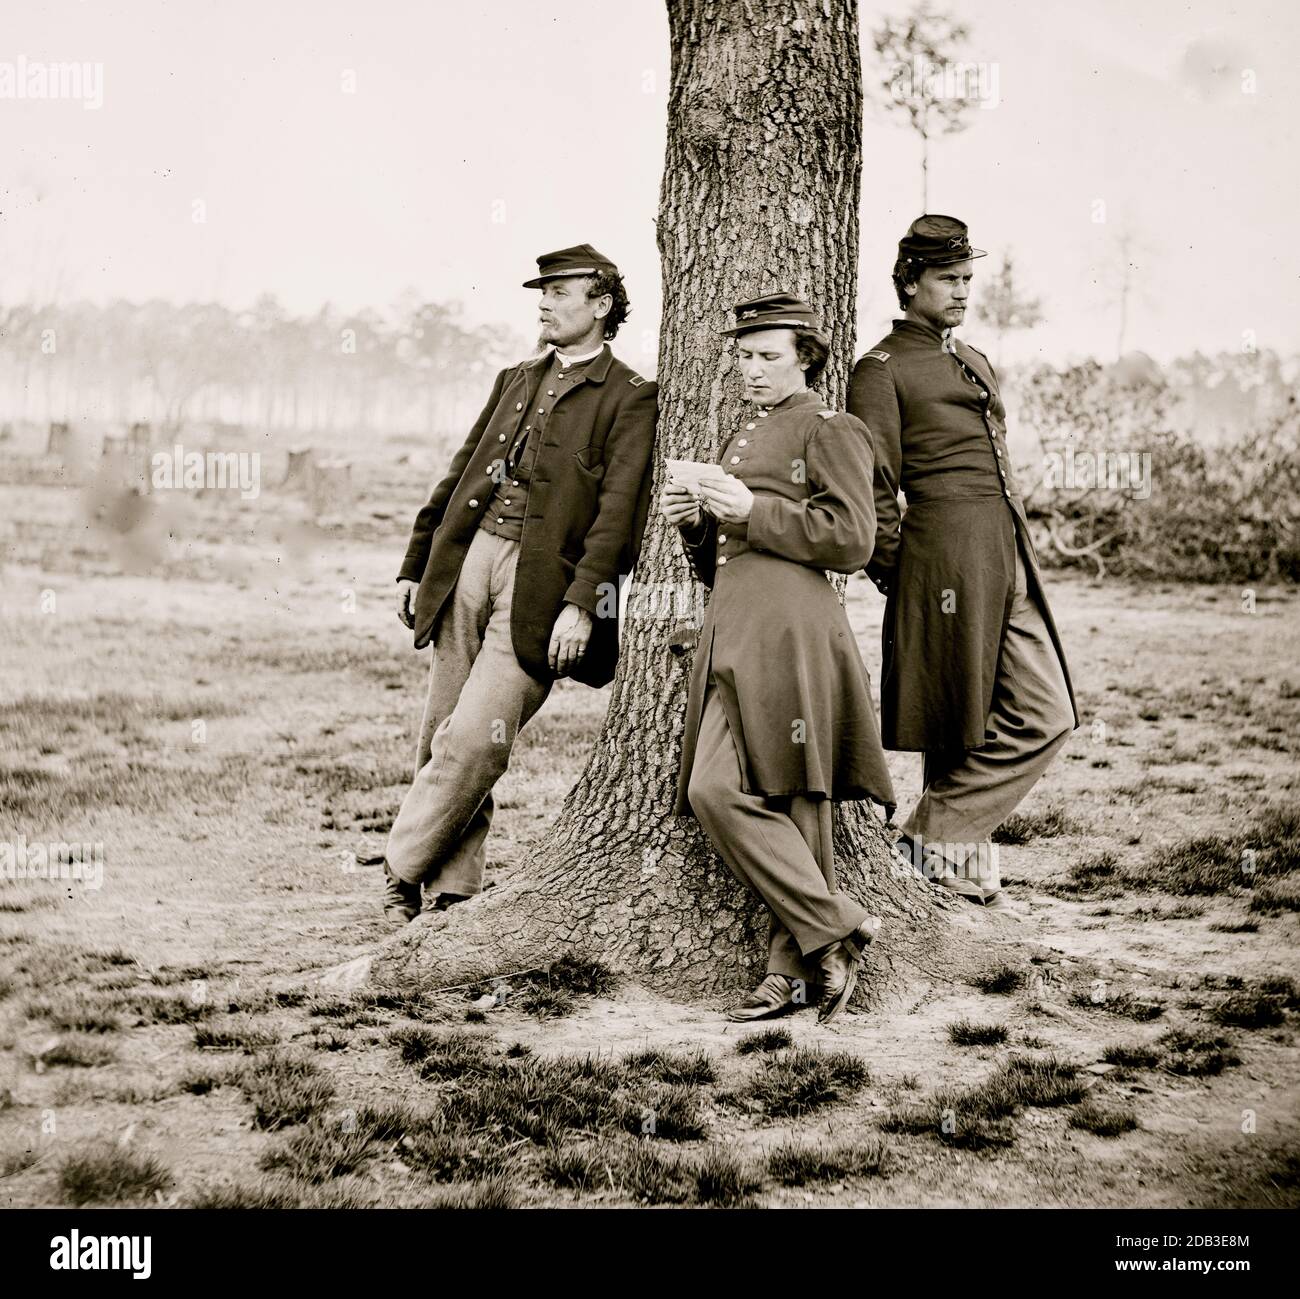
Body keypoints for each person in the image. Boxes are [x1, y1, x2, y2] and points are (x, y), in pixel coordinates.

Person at [383, 243, 657, 923]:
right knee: (443, 729)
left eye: (560, 293)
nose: (544, 303)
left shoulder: (630, 397)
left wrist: (582, 604)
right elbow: (460, 474)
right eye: (542, 293)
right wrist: (419, 562)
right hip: (467, 559)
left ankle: (397, 866)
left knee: (479, 737)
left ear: (601, 305)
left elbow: (619, 515)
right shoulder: (514, 378)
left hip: (542, 586)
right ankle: (451, 890)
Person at [662, 292, 896, 1024]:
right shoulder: (742, 431)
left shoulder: (832, 428)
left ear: (807, 358)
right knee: (713, 788)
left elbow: (853, 540)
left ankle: (794, 973)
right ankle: (839, 926)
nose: (751, 369)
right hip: (735, 628)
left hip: (795, 633)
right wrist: (699, 526)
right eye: (743, 355)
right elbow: (725, 558)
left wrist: (750, 511)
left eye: (768, 356)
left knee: (800, 796)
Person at [848, 215, 1079, 908]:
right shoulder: (880, 369)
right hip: (941, 558)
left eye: (967, 280)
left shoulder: (973, 359)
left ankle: (926, 841)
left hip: (1007, 553)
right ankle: (951, 868)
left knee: (1048, 711)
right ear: (910, 282)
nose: (961, 292)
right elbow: (874, 486)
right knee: (956, 714)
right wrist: (900, 570)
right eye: (947, 279)